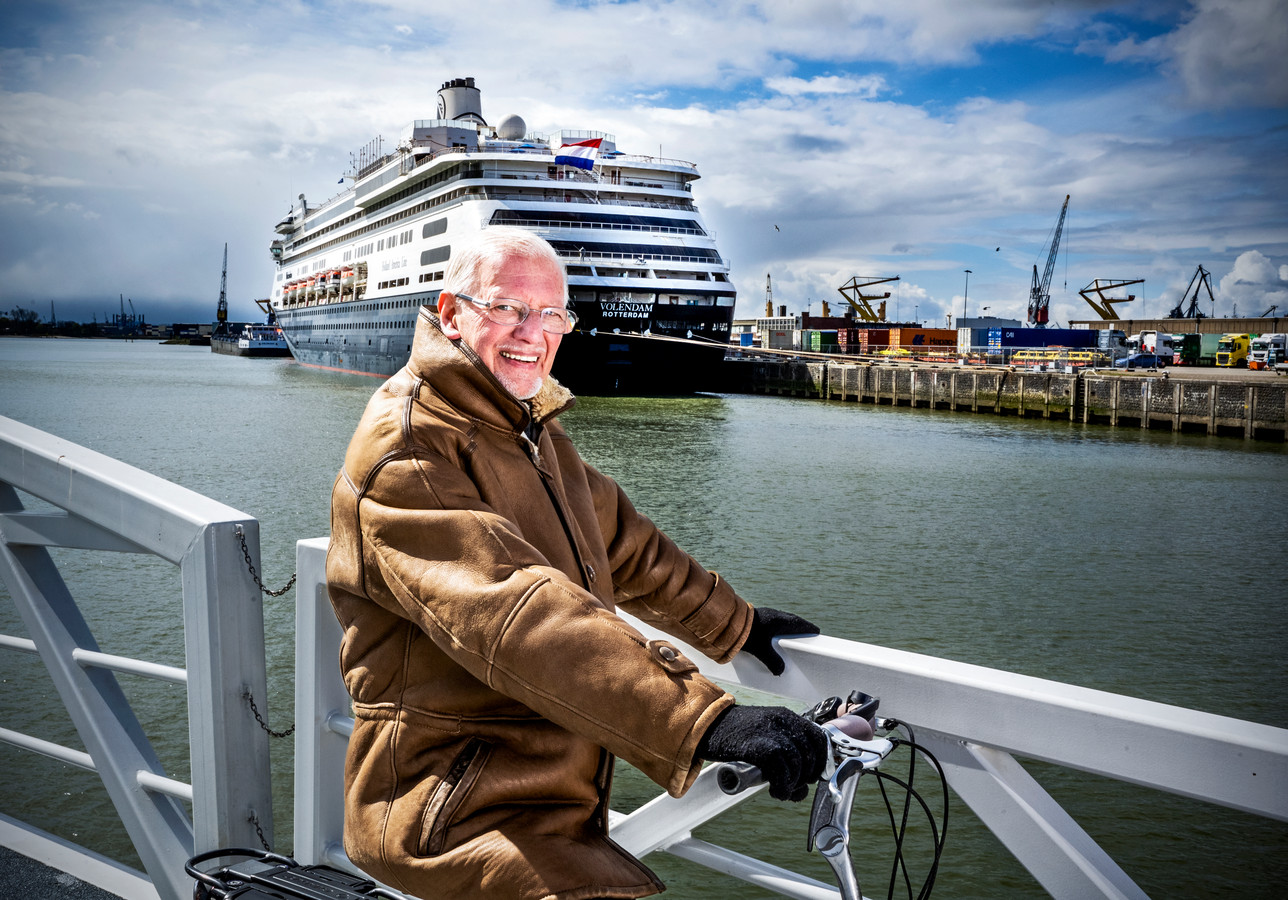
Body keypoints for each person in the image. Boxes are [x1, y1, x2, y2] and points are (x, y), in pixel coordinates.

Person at [326, 226, 826, 900]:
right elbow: (514, 610)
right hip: (444, 798)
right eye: (507, 307)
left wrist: (734, 625)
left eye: (552, 313)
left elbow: (623, 542)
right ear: (451, 313)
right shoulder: (409, 447)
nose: (533, 331)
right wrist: (703, 720)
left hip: (537, 785)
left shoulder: (523, 426)